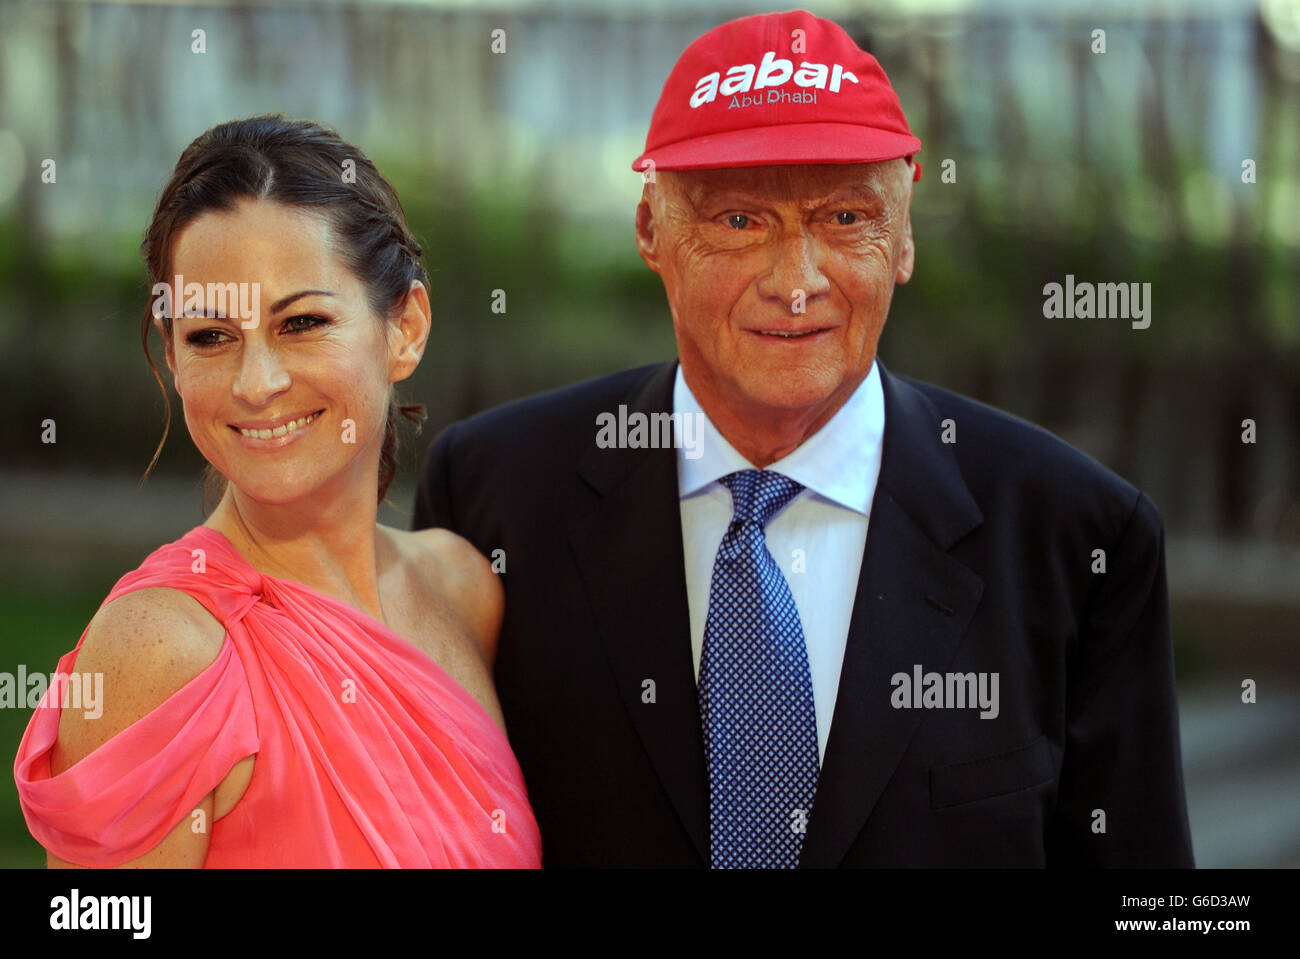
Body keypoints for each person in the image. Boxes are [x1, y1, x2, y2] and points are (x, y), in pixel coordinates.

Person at [411, 10, 1194, 868]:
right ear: (650, 232)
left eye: (845, 218)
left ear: (903, 237)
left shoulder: (1077, 535)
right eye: (740, 221)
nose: (796, 284)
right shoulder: (495, 494)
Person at [14, 116, 541, 868]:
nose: (256, 383)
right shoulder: (163, 652)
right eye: (210, 336)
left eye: (302, 322)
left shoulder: (462, 587)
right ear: (171, 355)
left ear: (405, 329)